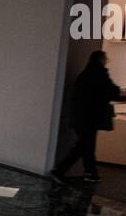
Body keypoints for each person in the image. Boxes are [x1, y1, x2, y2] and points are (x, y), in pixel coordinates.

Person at [51, 50, 121, 183]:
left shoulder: (84, 75)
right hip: (90, 118)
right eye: (105, 59)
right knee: (84, 146)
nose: (106, 61)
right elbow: (112, 91)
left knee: (86, 145)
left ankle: (90, 172)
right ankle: (60, 171)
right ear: (101, 60)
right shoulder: (100, 74)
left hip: (80, 117)